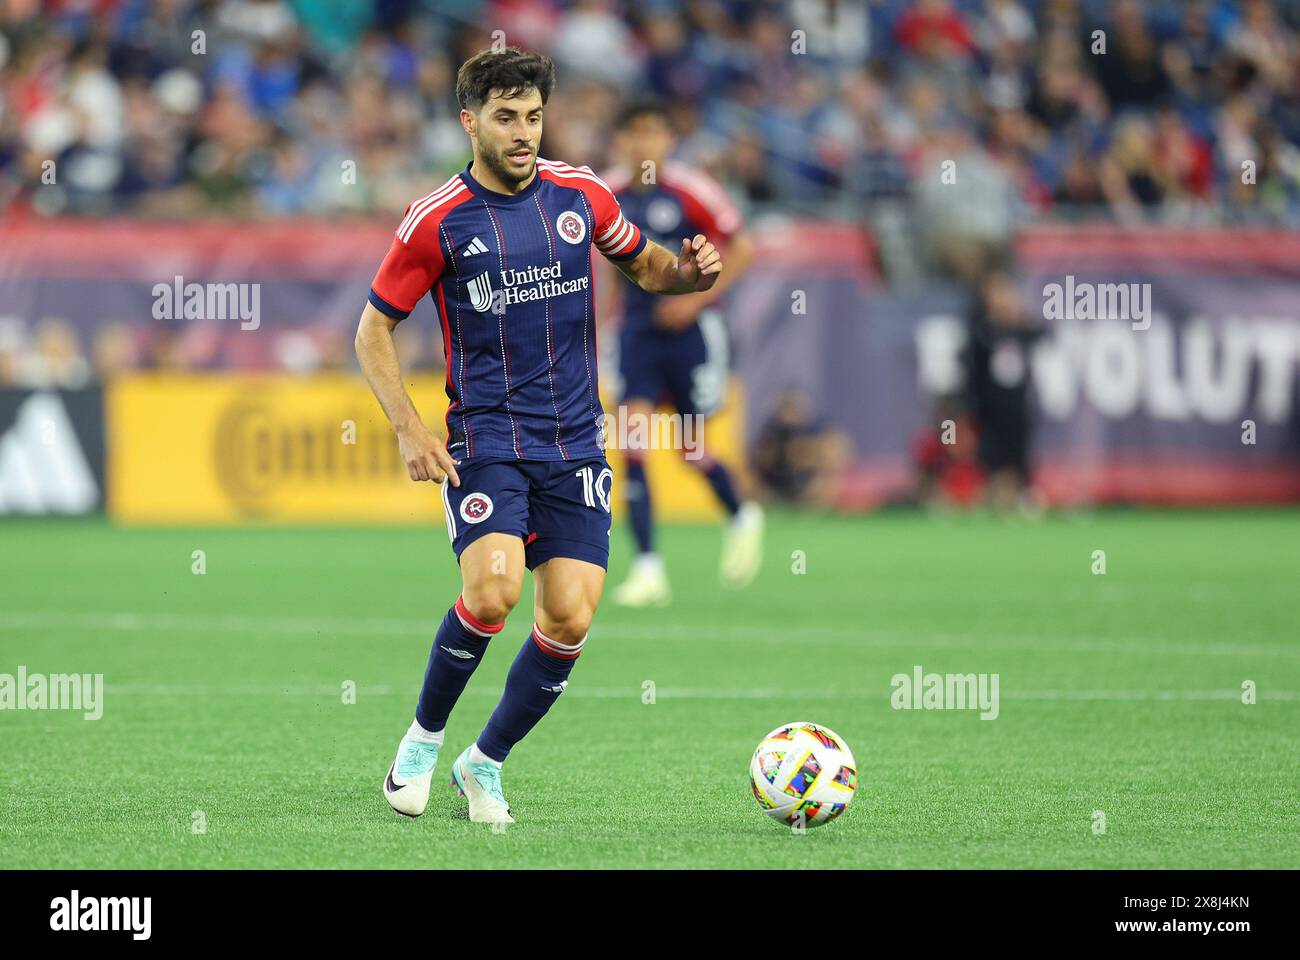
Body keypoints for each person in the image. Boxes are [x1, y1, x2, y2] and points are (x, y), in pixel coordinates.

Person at [354, 48, 724, 824]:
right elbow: (372, 333)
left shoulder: (581, 193)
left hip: (576, 444)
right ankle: (419, 745)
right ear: (469, 123)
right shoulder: (438, 220)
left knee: (570, 617)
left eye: (532, 116)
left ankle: (482, 762)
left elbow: (648, 267)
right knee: (493, 591)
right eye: (504, 118)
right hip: (487, 438)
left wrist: (689, 274)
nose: (523, 132)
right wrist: (410, 429)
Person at [602, 99, 762, 607]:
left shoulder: (693, 190)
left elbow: (741, 247)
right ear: (620, 142)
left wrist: (698, 302)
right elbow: (610, 264)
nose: (642, 144)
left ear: (669, 141)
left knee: (691, 450)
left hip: (690, 334)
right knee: (632, 443)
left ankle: (741, 514)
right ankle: (649, 569)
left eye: (653, 133)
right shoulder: (606, 192)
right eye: (633, 134)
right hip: (638, 335)